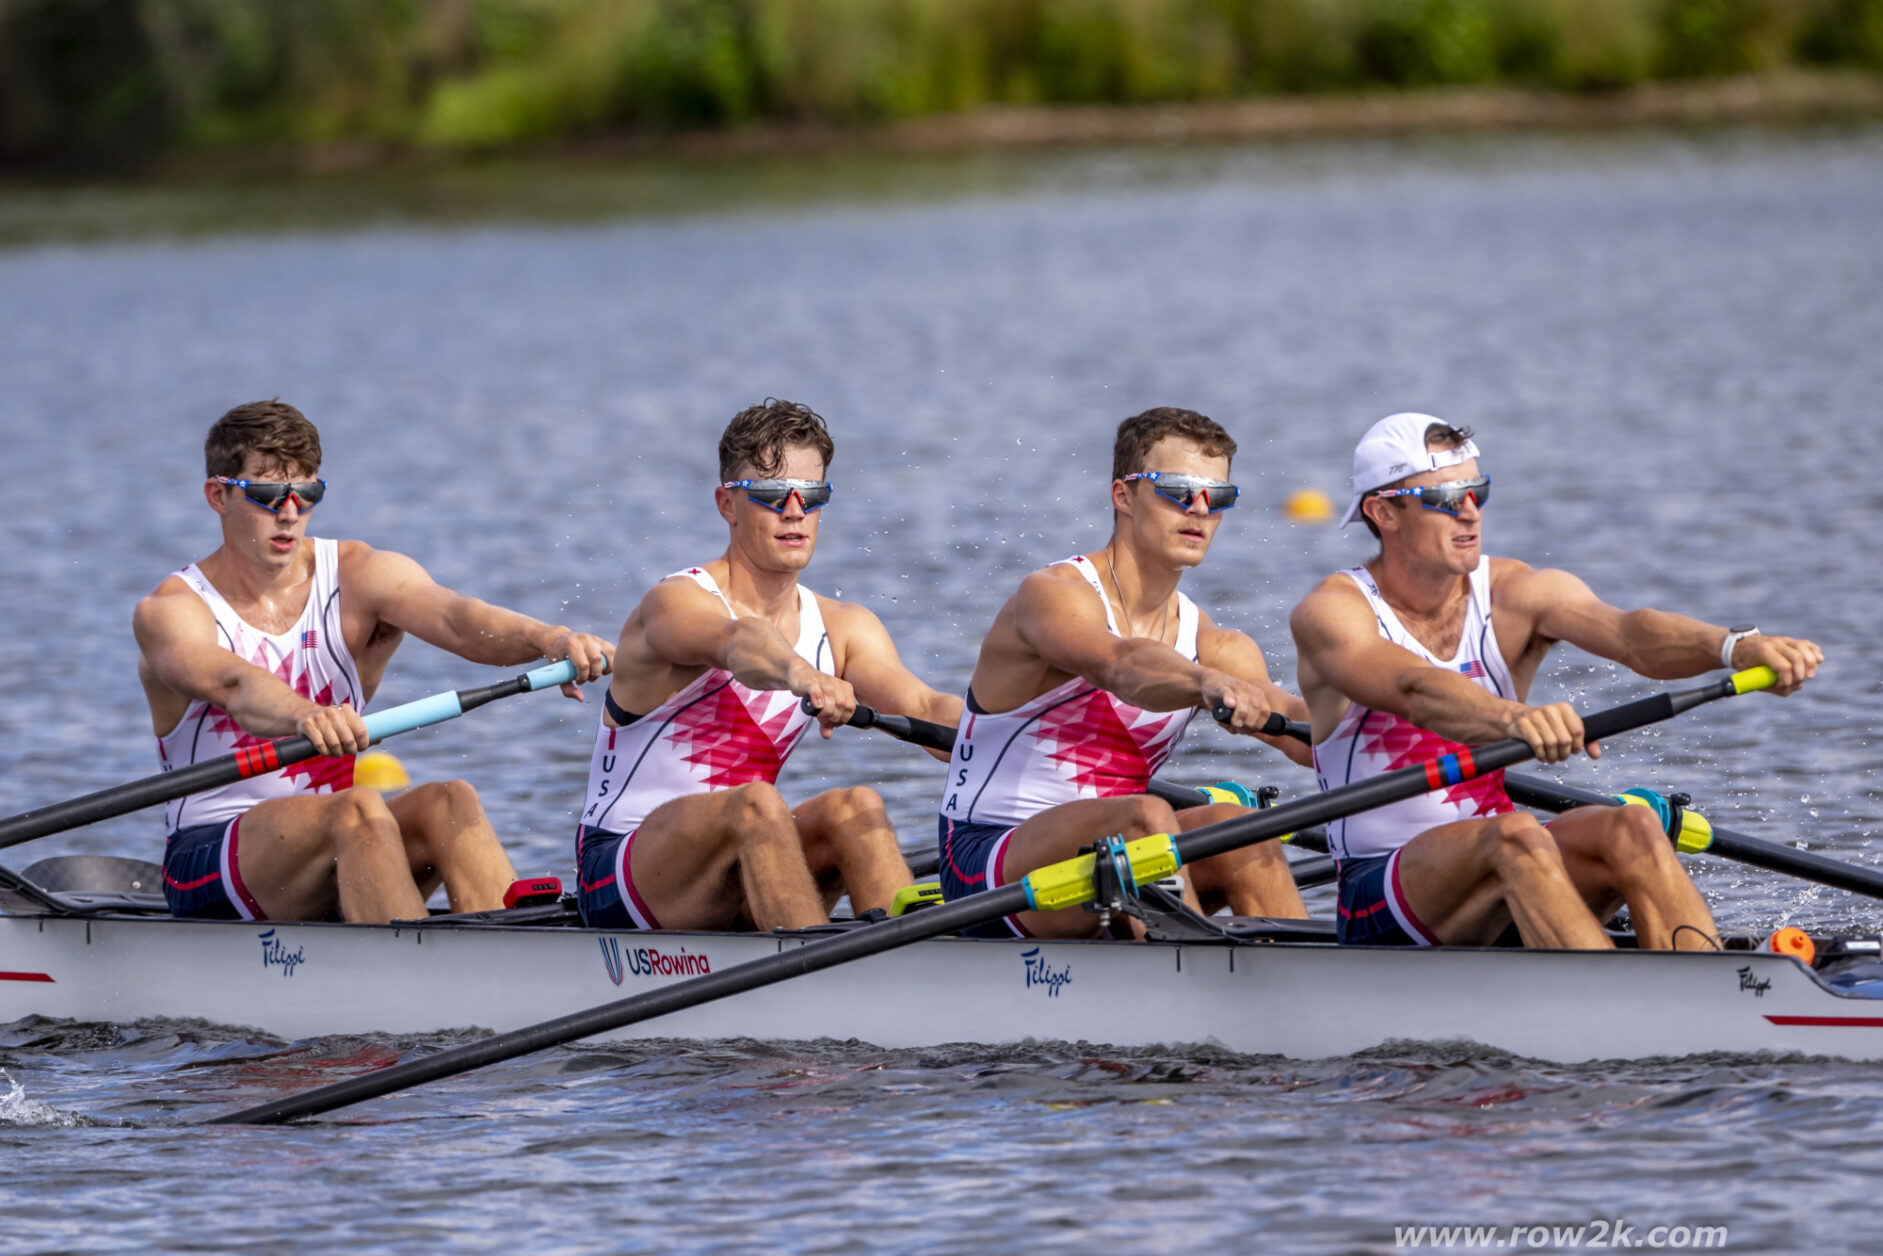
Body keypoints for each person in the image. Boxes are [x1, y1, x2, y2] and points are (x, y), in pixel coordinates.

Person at [1290, 412, 1823, 950]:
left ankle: (1706, 985)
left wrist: (1733, 647)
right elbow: (1413, 688)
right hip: (1377, 891)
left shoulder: (1513, 593)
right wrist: (1517, 719)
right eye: (1448, 498)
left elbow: (1630, 635)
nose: (1471, 513)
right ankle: (1615, 1007)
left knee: (1632, 826)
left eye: (1479, 491)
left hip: (1504, 867)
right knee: (1517, 834)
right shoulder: (1333, 612)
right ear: (1384, 512)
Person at [136, 400, 613, 924]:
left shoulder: (359, 575)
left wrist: (552, 637)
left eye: (307, 494)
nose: (290, 513)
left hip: (339, 839)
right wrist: (304, 715)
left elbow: (459, 620)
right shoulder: (173, 610)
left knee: (450, 801)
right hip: (208, 857)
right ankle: (416, 981)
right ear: (218, 495)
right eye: (268, 494)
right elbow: (233, 684)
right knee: (359, 806)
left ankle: (512, 963)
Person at [577, 398, 960, 932]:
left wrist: (1011, 729)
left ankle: (921, 976)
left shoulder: (846, 627)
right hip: (618, 871)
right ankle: (811, 989)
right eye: (773, 495)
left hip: (744, 851)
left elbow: (924, 707)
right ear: (727, 504)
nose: (796, 511)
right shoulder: (676, 602)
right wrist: (803, 675)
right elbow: (741, 643)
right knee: (755, 804)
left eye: (813, 495)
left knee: (856, 805)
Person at [937, 407, 1315, 939]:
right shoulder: (1052, 596)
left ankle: (1303, 996)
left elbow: (1305, 728)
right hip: (987, 862)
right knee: (1146, 818)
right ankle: (1186, 989)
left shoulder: (1216, 645)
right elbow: (1119, 664)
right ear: (1123, 496)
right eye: (1180, 491)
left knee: (1242, 830)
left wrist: (1410, 729)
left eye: (1218, 497)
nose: (1200, 510)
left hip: (1120, 851)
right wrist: (1203, 683)